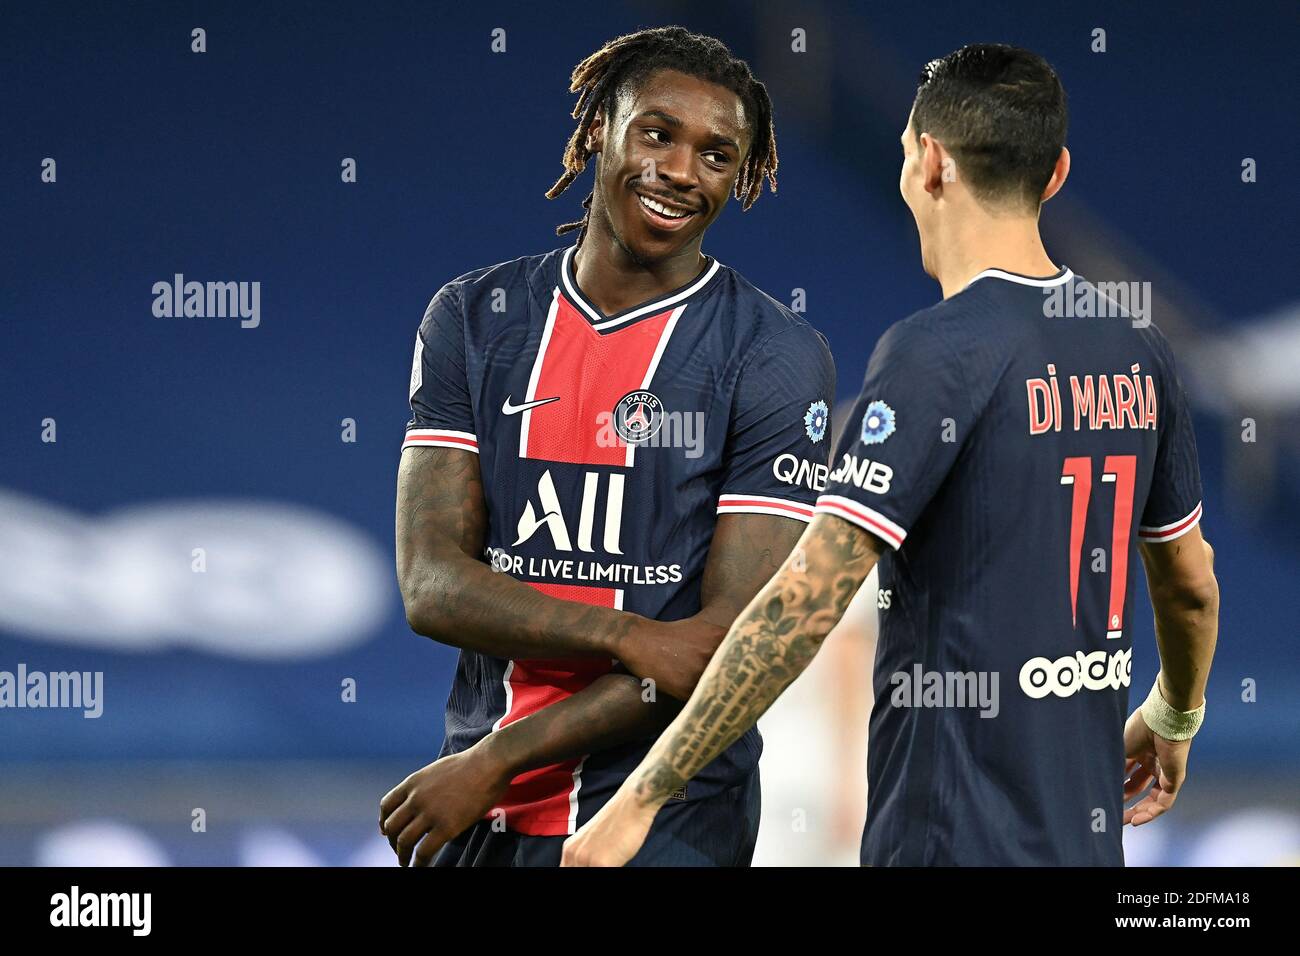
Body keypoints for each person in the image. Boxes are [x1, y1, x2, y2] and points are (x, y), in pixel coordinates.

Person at [562, 43, 1219, 867]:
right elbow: (1190, 586)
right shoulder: (1139, 350)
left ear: (926, 162)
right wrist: (1172, 715)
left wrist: (642, 797)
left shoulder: (936, 354)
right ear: (1054, 174)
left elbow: (803, 602)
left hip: (945, 843)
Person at [379, 26, 835, 866]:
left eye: (716, 155)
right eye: (657, 132)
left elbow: (725, 650)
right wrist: (628, 633)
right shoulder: (474, 320)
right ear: (599, 131)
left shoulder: (773, 355)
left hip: (669, 815)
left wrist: (497, 760)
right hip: (481, 813)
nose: (679, 172)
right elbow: (431, 585)